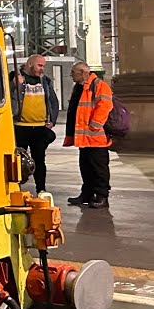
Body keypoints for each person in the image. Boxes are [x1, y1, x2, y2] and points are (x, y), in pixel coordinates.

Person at [64, 62, 114, 209]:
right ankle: (87, 193)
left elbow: (105, 105)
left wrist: (95, 124)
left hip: (96, 136)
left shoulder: (99, 85)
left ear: (83, 72)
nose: (71, 75)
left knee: (99, 167)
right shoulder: (80, 87)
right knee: (85, 166)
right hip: (85, 137)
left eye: (73, 72)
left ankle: (101, 196)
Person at [10, 54, 59, 194]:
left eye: (43, 66)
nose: (42, 69)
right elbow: (6, 95)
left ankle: (41, 189)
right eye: (40, 65)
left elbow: (53, 101)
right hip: (20, 127)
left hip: (39, 127)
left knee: (39, 161)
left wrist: (52, 120)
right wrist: (14, 84)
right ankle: (16, 189)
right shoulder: (16, 78)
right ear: (30, 64)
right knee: (17, 162)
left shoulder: (45, 81)